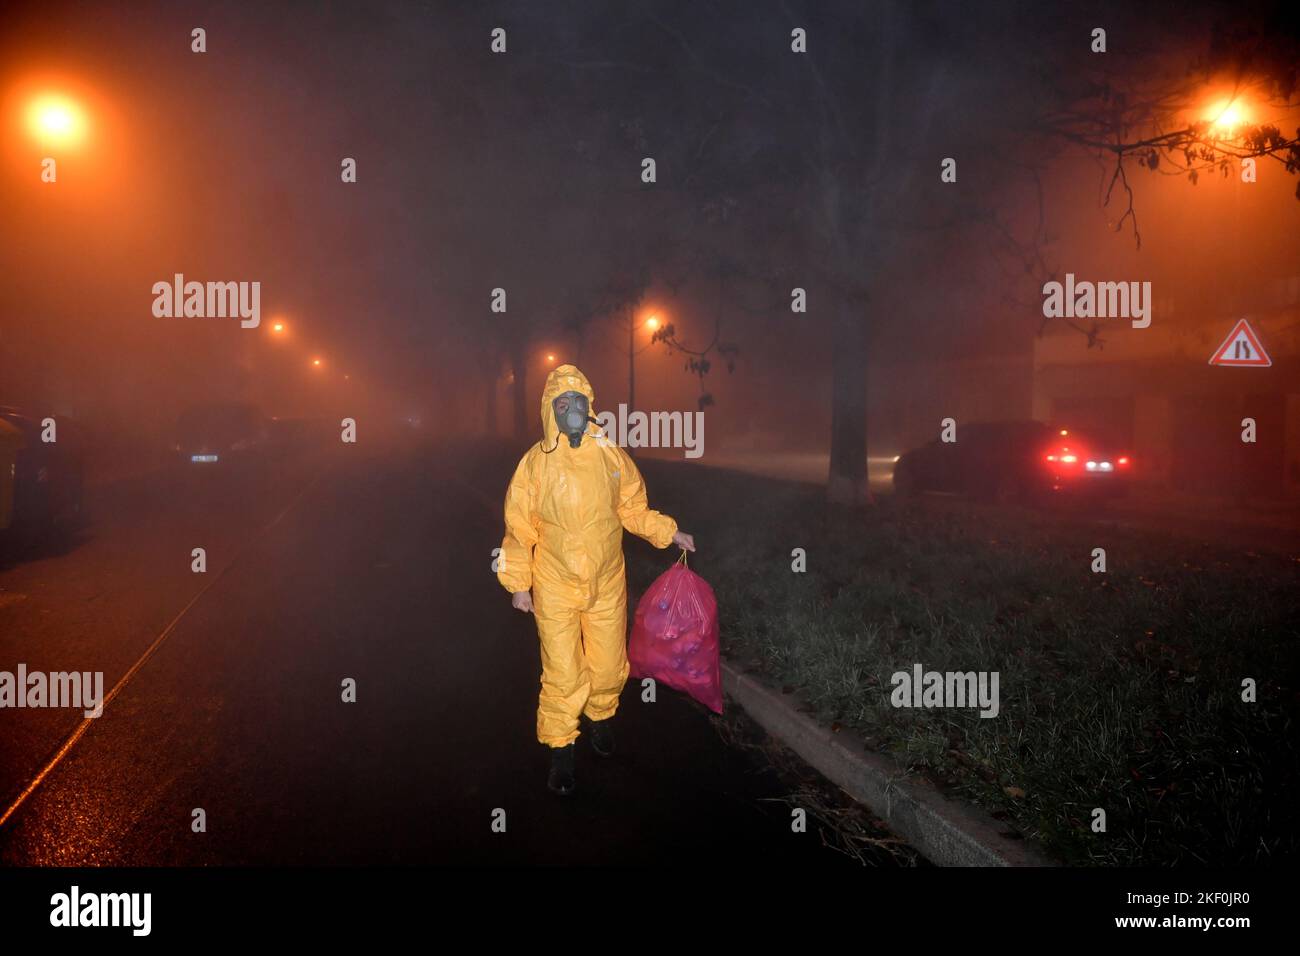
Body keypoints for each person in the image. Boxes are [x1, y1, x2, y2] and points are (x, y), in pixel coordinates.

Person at [497, 364, 695, 795]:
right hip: (554, 586)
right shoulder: (534, 465)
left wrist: (668, 532)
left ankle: (601, 718)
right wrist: (518, 582)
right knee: (563, 673)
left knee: (607, 668)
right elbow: (519, 528)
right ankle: (561, 751)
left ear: (590, 407)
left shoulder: (610, 456)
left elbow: (632, 508)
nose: (572, 410)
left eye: (578, 402)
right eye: (562, 403)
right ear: (550, 409)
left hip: (607, 582)